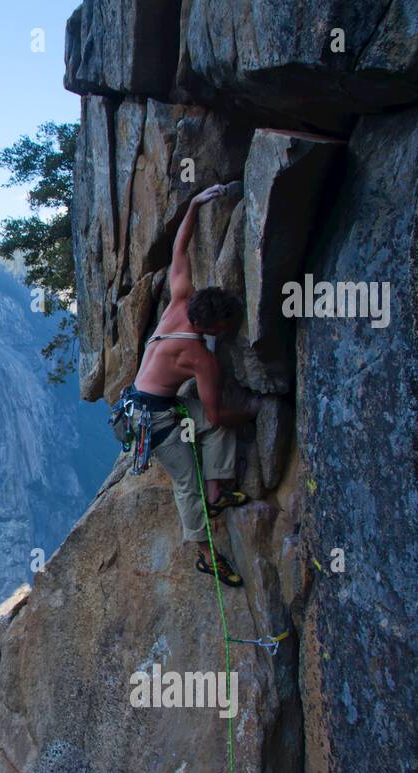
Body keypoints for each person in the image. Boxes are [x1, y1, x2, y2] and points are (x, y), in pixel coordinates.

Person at [125, 182, 260, 587]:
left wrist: (196, 205)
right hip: (152, 422)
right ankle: (205, 554)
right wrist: (252, 413)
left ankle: (218, 493)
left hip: (140, 406)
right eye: (226, 327)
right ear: (213, 325)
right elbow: (219, 413)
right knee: (187, 481)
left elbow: (179, 250)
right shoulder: (200, 357)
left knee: (209, 423)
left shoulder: (179, 300)